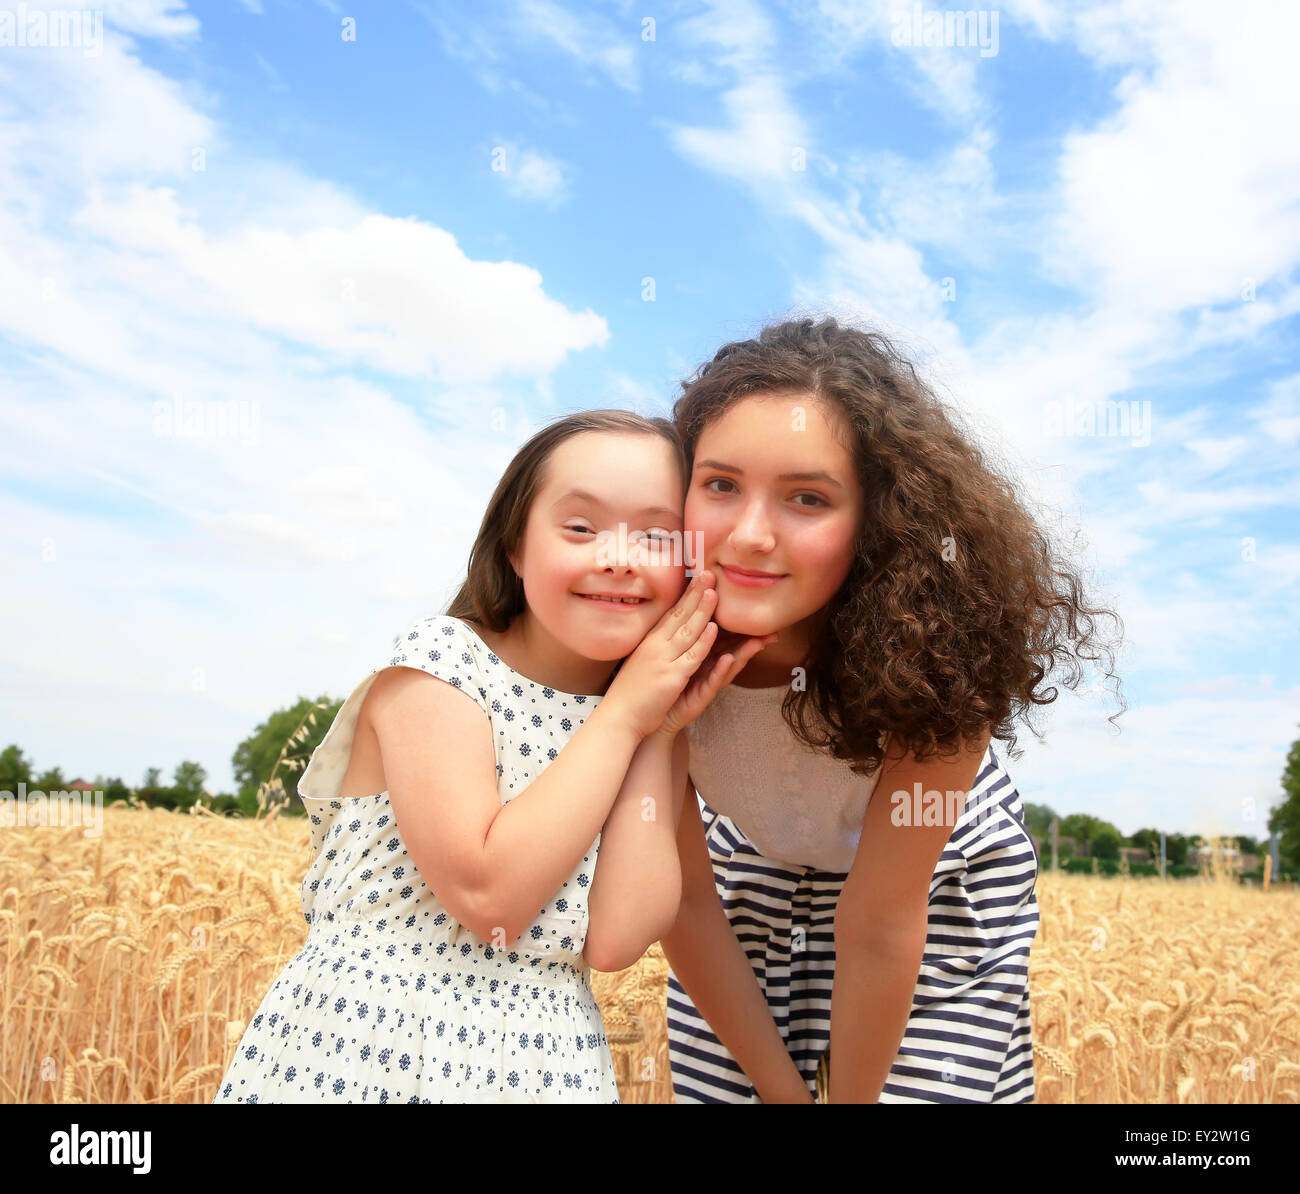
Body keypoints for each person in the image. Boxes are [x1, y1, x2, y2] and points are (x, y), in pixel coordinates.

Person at [213, 409, 771, 1103]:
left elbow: (616, 940)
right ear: (514, 547)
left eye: (657, 536)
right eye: (580, 527)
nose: (618, 555)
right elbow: (487, 891)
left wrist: (656, 732)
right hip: (373, 1056)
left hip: (548, 1068)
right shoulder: (439, 667)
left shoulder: (642, 722)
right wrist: (630, 715)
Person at [660, 317, 1124, 1103]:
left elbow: (878, 925)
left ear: (876, 521)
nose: (748, 535)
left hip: (933, 883)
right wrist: (779, 1091)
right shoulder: (645, 656)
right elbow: (689, 906)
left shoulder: (943, 659)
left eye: (808, 497)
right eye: (720, 484)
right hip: (757, 862)